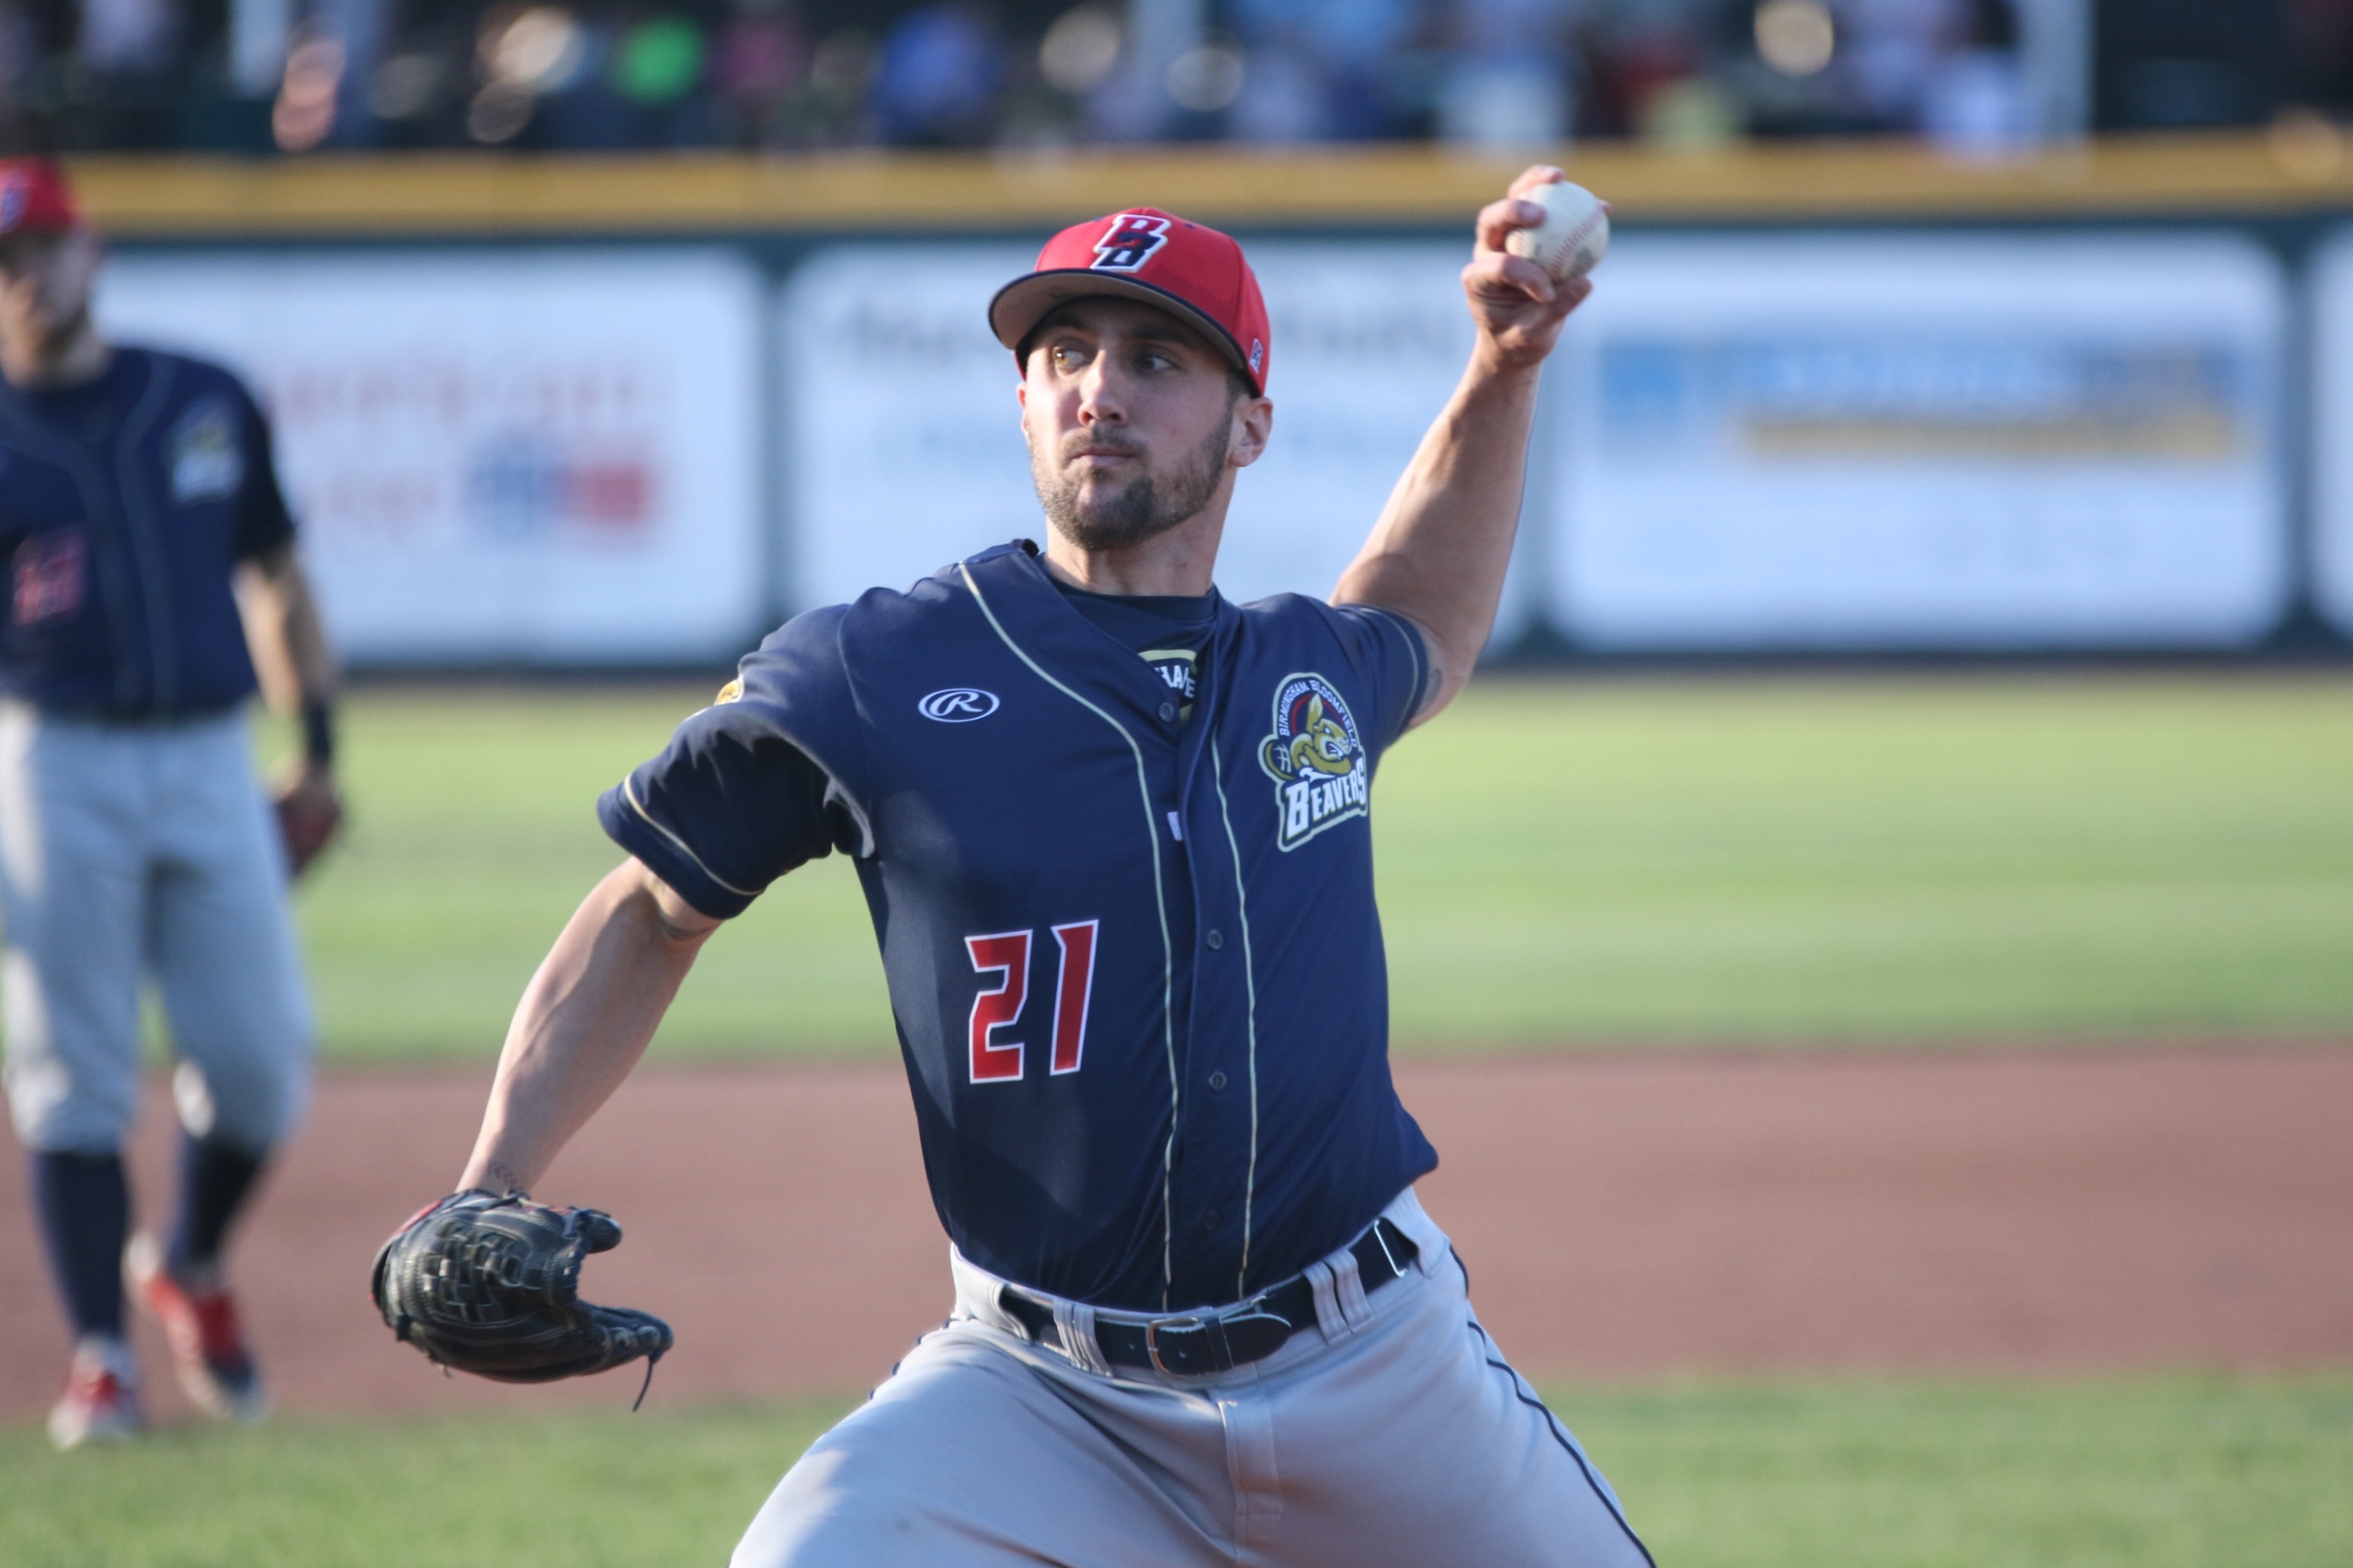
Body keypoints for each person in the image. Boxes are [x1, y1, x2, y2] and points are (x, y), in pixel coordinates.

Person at [442, 171, 1652, 1566]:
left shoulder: (1303, 675)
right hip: (1043, 1393)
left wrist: (1505, 363)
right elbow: (652, 908)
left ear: (1251, 423)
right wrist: (486, 1182)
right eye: (1064, 354)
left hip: (1377, 1367)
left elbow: (1422, 619)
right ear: (1021, 402)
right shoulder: (872, 672)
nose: (1099, 391)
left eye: (1157, 359)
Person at [0, 158, 341, 1449]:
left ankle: (188, 1260)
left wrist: (318, 745)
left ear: (89, 252)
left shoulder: (200, 395)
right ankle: (101, 1360)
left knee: (258, 1066)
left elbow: (276, 574)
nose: (25, 279)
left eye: (41, 249)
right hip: (54, 756)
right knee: (74, 1075)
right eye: (5, 264)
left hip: (209, 752)